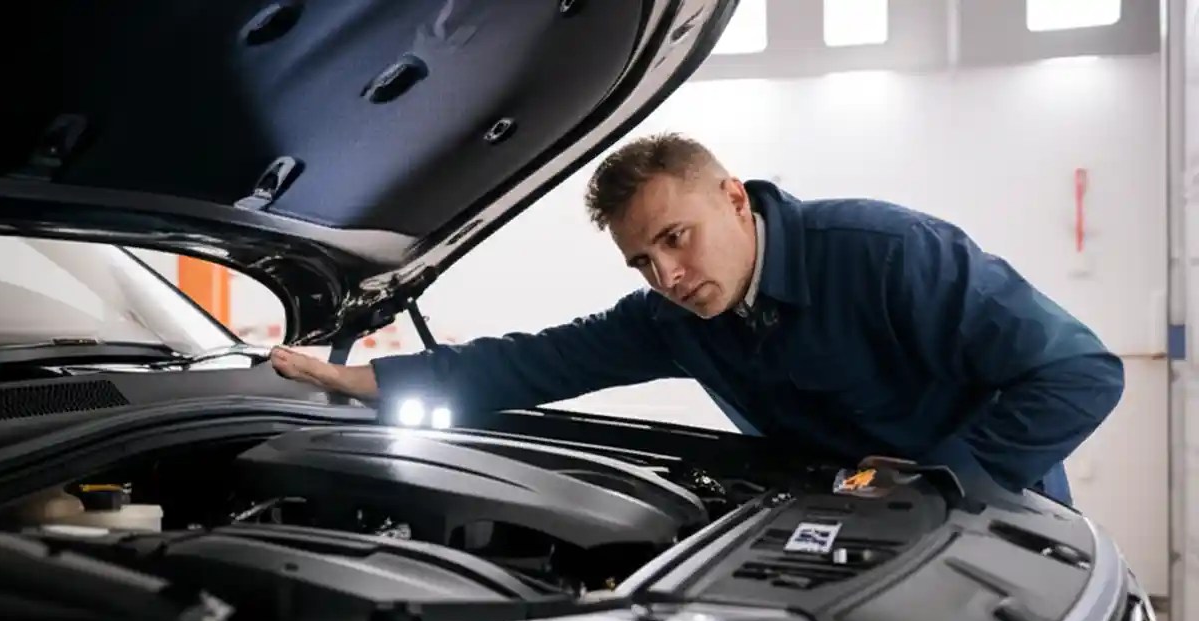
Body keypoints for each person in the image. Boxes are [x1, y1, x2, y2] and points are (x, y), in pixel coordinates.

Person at [271, 132, 1123, 505]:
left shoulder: (887, 252)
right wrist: (364, 379)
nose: (668, 276)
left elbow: (1082, 372)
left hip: (995, 513)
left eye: (676, 239)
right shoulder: (675, 319)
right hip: (855, 517)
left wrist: (940, 474)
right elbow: (532, 363)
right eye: (642, 260)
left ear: (733, 197)